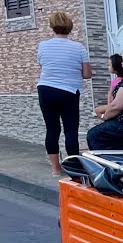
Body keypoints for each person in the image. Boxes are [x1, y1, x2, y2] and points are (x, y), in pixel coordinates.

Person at [36, 10, 92, 176]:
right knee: (70, 129)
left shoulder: (43, 45)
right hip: (69, 91)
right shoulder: (78, 48)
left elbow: (43, 65)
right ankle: (74, 169)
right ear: (70, 27)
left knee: (52, 129)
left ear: (52, 26)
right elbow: (87, 74)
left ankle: (55, 169)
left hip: (46, 89)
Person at [89, 52, 123, 150]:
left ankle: (105, 162)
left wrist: (105, 116)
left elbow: (117, 106)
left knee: (94, 135)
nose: (122, 65)